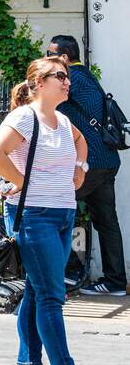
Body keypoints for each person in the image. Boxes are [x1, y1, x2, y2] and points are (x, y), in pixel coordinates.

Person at [0, 56, 109, 365]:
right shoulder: (24, 117)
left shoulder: (64, 121)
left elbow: (83, 142)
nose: (67, 82)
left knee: (39, 292)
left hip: (62, 214)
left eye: (67, 77)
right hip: (35, 215)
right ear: (39, 83)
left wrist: (80, 167)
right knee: (53, 294)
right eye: (60, 77)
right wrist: (22, 181)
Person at [47, 35, 126, 296]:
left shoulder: (69, 81)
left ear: (65, 58)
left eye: (51, 54)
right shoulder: (88, 77)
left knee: (51, 208)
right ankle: (114, 282)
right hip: (107, 161)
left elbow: (45, 107)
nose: (46, 59)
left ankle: (70, 271)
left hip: (89, 164)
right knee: (107, 222)